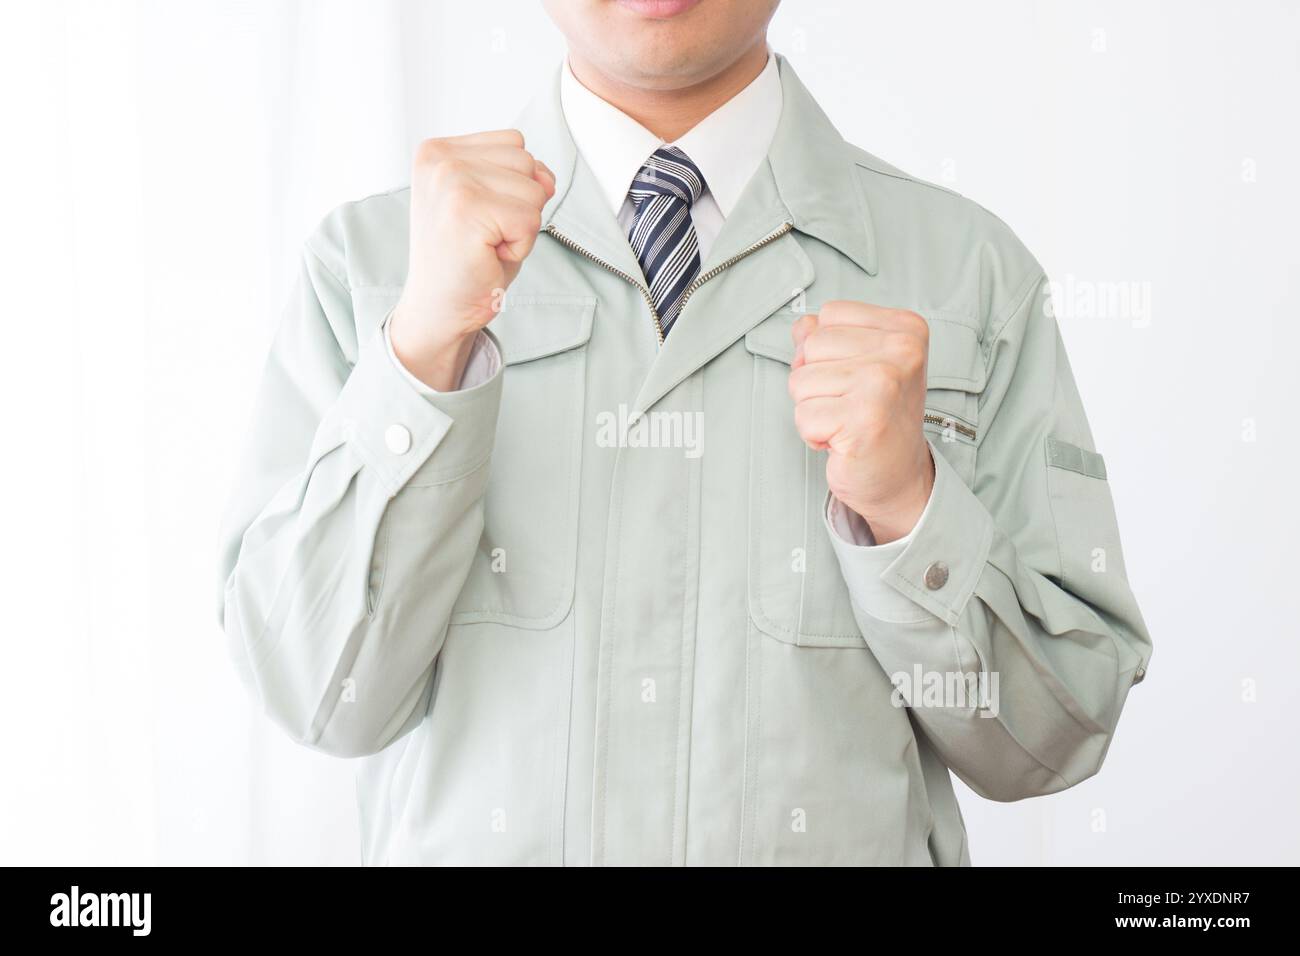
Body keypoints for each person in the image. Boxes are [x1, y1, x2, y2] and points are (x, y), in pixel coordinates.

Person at [218, 0, 1151, 865]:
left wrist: (911, 511)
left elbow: (1050, 740)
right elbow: (314, 695)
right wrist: (419, 361)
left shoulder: (970, 276)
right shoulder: (374, 269)